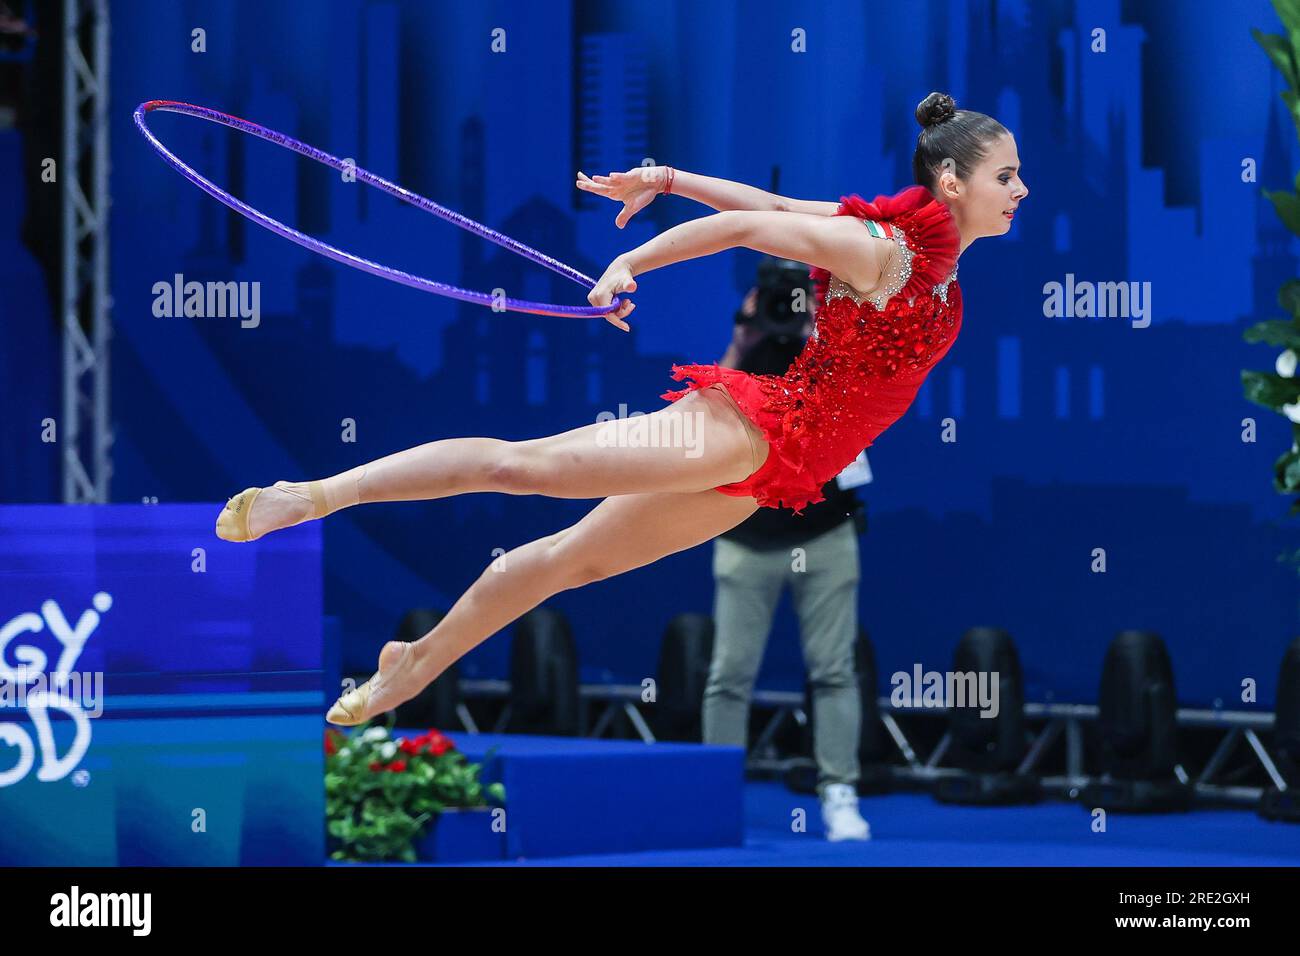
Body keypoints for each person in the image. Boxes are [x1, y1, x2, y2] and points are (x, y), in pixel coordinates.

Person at [213, 91, 1028, 727]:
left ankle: (414, 662)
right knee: (521, 467)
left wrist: (669, 179)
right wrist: (630, 260)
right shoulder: (885, 253)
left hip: (777, 468)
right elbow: (749, 227)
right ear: (951, 184)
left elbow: (775, 207)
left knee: (572, 561)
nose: (1019, 190)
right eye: (1006, 176)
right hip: (755, 430)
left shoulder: (927, 260)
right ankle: (311, 497)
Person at [705, 274, 871, 841]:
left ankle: (840, 793)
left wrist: (817, 332)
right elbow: (706, 413)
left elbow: (859, 397)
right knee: (728, 677)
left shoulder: (833, 339)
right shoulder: (745, 351)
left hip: (825, 533)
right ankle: (717, 795)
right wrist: (743, 337)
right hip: (744, 535)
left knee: (833, 671)